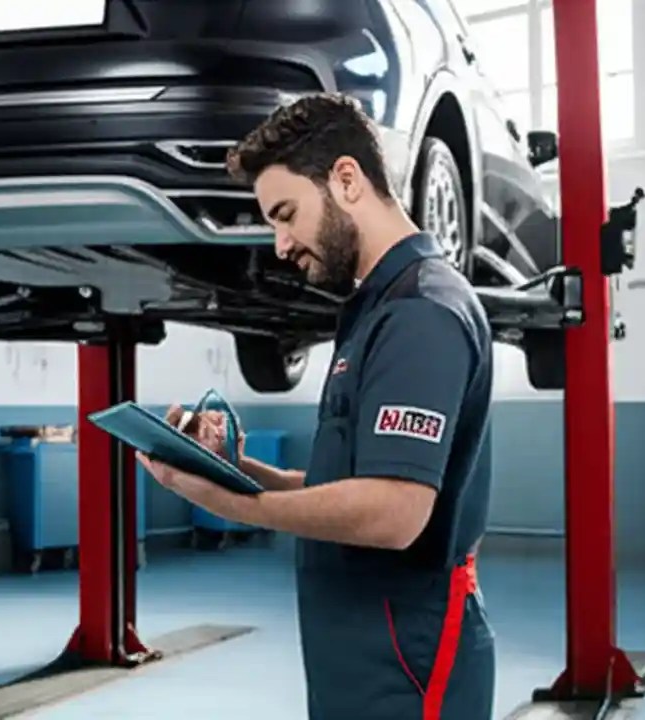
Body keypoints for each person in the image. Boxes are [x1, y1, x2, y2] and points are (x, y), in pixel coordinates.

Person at [138, 92, 496, 720]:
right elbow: (348, 484)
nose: (279, 244)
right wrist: (235, 470)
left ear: (346, 180)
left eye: (286, 214)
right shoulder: (378, 309)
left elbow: (394, 512)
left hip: (409, 664)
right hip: (360, 651)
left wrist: (226, 503)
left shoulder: (422, 313)